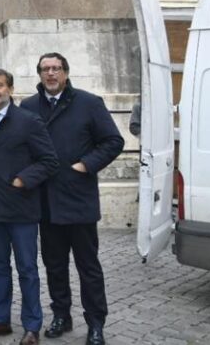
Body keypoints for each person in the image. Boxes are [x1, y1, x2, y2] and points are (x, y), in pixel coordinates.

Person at [19, 53, 125, 345]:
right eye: (45, 69)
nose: (51, 74)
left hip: (78, 198)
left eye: (56, 69)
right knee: (54, 265)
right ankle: (61, 316)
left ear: (65, 72)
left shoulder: (89, 103)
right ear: (39, 74)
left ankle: (95, 323)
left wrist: (86, 164)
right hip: (45, 201)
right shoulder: (28, 107)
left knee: (88, 266)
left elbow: (114, 141)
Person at [0, 69, 59, 345]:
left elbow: (49, 161)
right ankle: (1, 321)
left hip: (22, 209)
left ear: (10, 89)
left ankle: (32, 326)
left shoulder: (28, 121)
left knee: (27, 269)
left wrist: (24, 179)